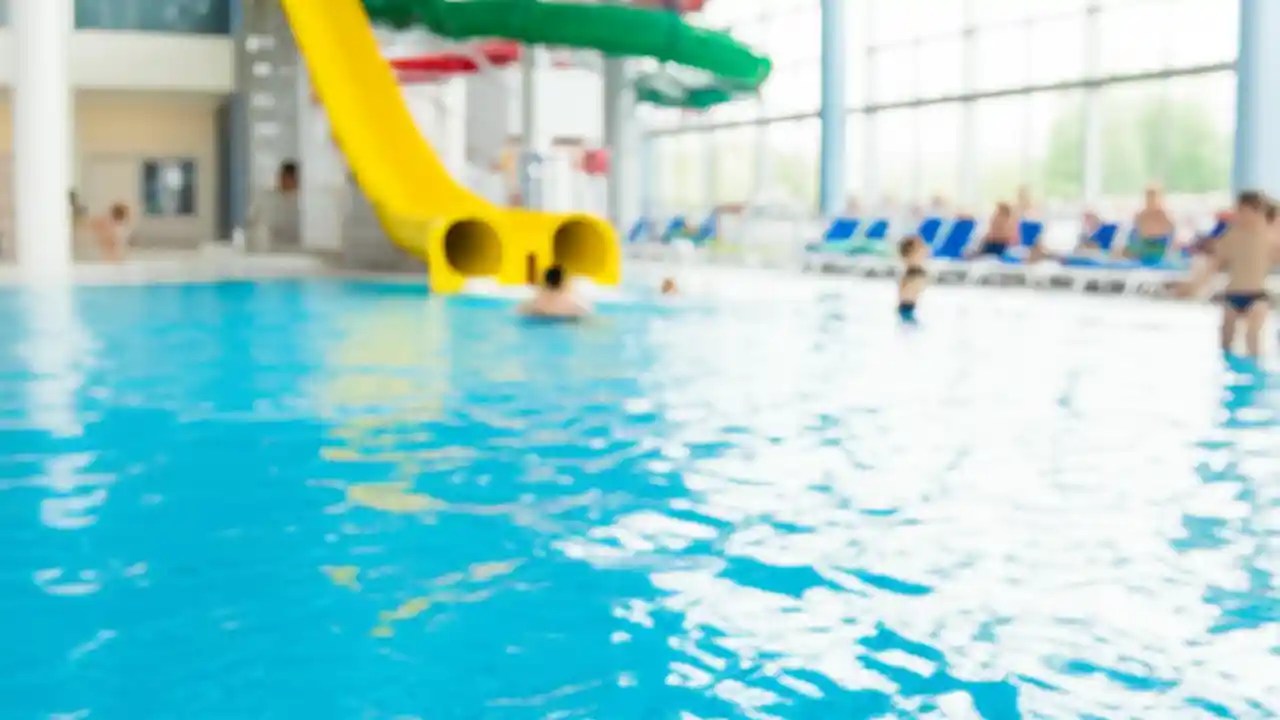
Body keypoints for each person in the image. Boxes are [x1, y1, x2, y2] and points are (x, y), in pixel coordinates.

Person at [1176, 191, 1275, 357]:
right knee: (1225, 343)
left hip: (1257, 296)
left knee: (1253, 338)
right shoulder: (1230, 237)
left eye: (1247, 211)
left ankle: (1255, 368)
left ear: (1258, 212)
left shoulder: (1269, 238)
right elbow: (1213, 267)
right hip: (1232, 294)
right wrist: (1194, 287)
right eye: (1240, 211)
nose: (1243, 215)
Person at [519, 265, 590, 319]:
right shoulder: (573, 304)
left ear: (544, 282)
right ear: (564, 282)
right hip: (566, 322)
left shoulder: (534, 303)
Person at [1125, 186, 1176, 263]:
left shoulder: (1164, 217)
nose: (1150, 200)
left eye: (1153, 197)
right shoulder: (1140, 216)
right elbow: (1134, 239)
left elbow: (1170, 238)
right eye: (1148, 197)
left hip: (1159, 248)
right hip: (1142, 249)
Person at [897, 235, 928, 323]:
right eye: (920, 251)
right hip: (907, 311)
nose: (924, 252)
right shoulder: (910, 275)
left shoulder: (918, 273)